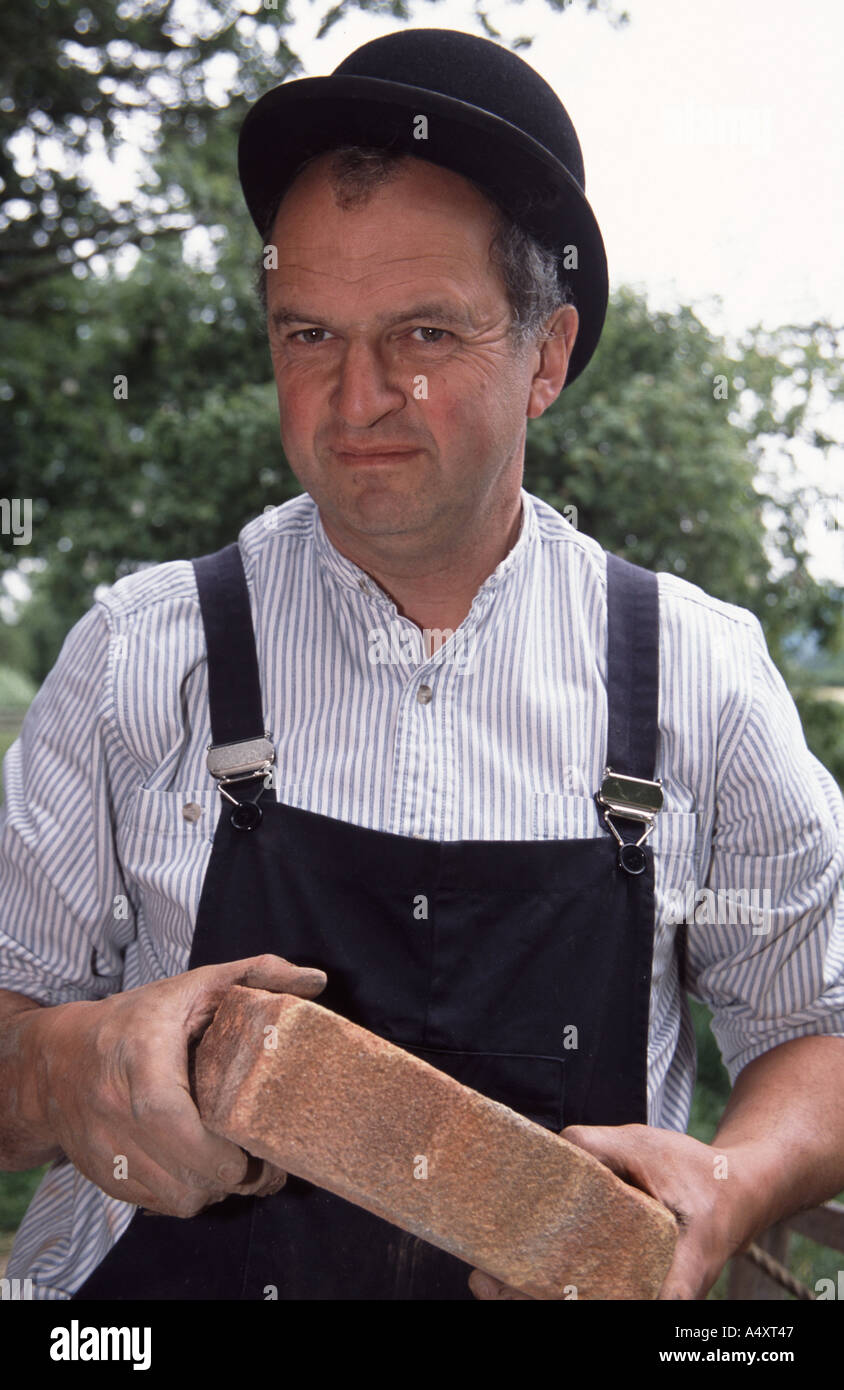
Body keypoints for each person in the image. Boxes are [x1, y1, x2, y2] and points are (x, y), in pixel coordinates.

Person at [1, 27, 842, 1303]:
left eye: (425, 336)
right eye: (308, 336)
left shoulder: (698, 682)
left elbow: (816, 1033)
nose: (355, 400)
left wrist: (724, 1185)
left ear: (546, 356)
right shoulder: (140, 656)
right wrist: (72, 1069)